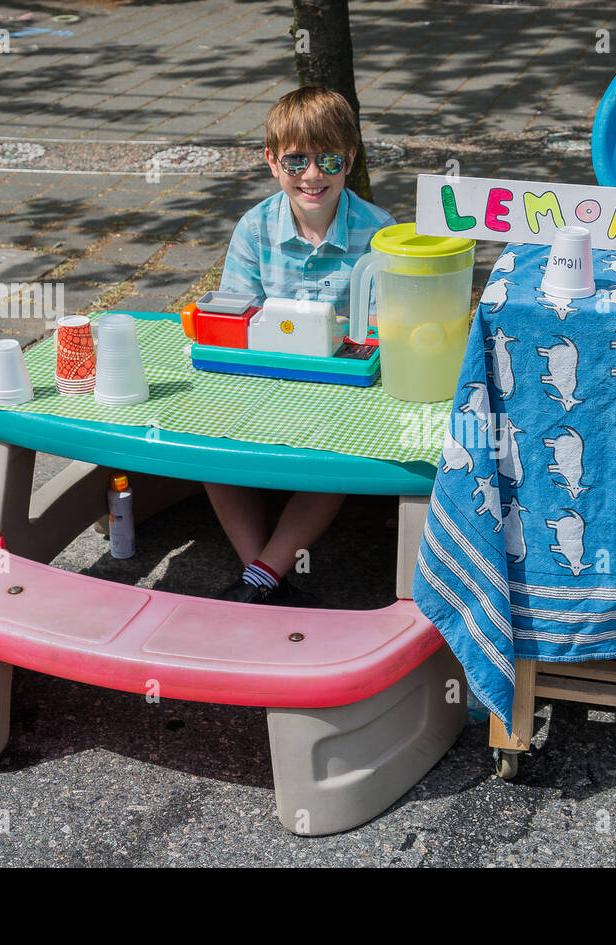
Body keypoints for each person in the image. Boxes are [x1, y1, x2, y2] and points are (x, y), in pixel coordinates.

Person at [206, 86, 395, 604]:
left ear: (350, 160)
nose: (312, 174)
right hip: (269, 378)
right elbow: (236, 316)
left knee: (334, 458)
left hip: (343, 388)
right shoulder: (254, 229)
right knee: (209, 450)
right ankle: (262, 573)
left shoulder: (380, 233)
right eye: (296, 161)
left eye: (329, 159)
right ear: (272, 162)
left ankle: (263, 573)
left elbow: (382, 329)